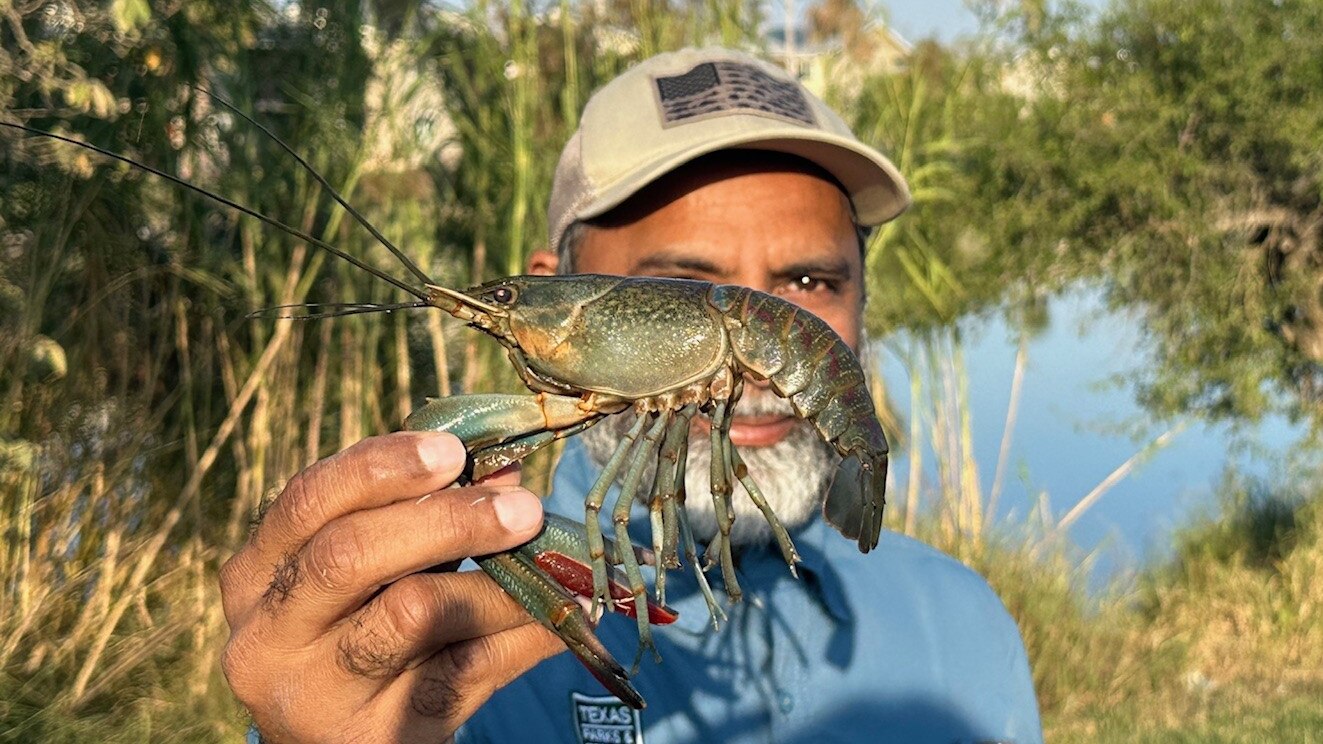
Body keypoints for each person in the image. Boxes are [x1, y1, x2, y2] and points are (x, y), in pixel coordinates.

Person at [222, 47, 1043, 744]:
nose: (754, 376)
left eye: (810, 280)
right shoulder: (430, 638)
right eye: (682, 279)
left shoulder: (966, 626)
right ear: (555, 281)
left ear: (861, 297)